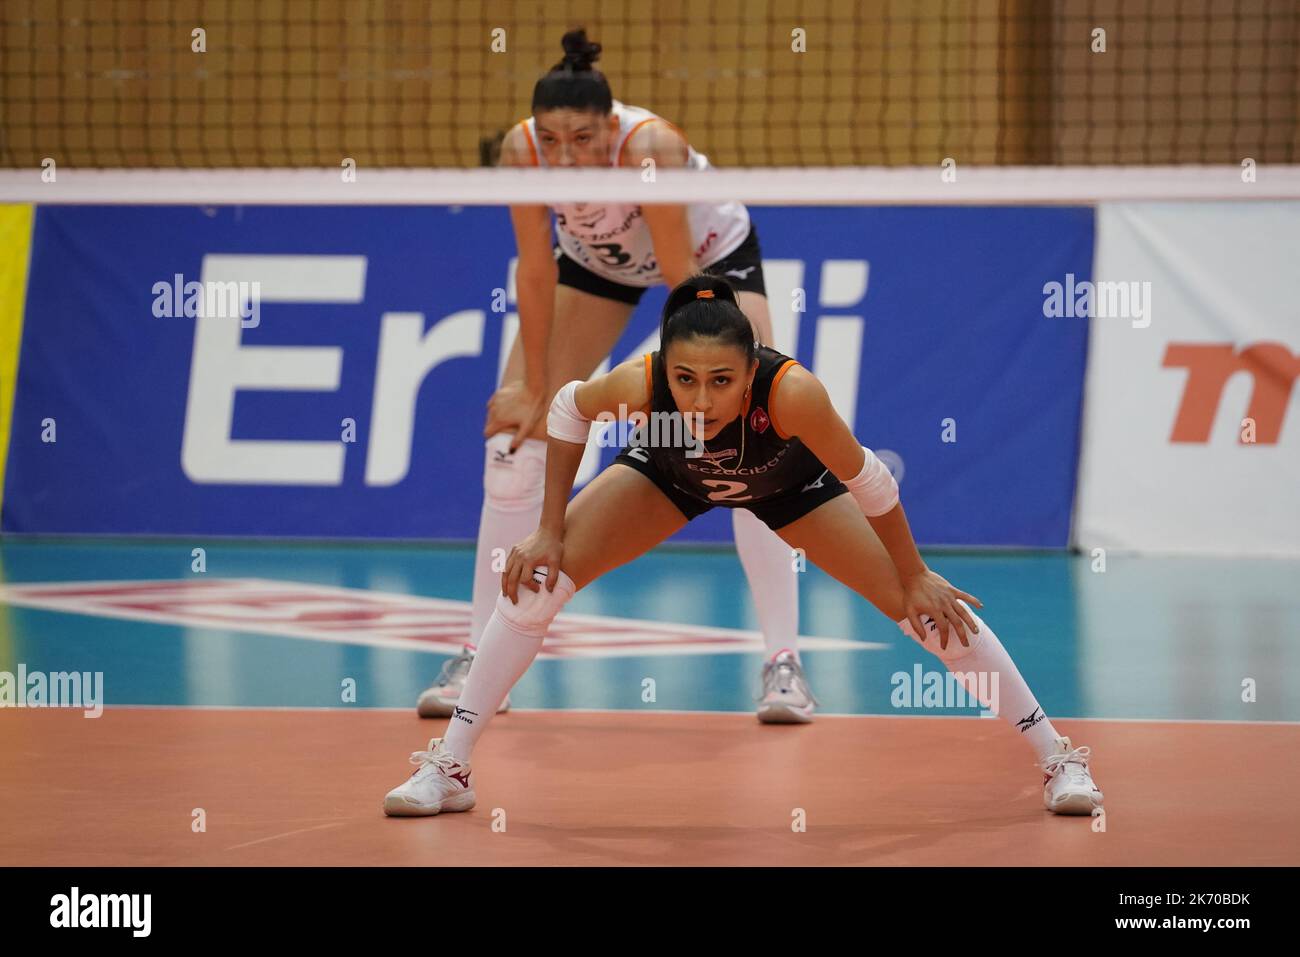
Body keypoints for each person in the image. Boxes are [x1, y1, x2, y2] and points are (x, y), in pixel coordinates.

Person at [385, 275, 1105, 819]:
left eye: (721, 381)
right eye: (686, 379)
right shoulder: (644, 385)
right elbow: (571, 405)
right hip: (671, 475)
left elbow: (873, 480)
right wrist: (547, 526)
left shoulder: (792, 395)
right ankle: (450, 768)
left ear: (750, 367)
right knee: (539, 581)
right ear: (665, 368)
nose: (700, 399)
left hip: (785, 487)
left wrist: (914, 573)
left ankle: (1058, 759)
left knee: (930, 611)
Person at [417, 27, 815, 723]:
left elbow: (676, 280)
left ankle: (784, 663)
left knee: (760, 440)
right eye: (551, 140)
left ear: (612, 125)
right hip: (596, 265)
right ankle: (483, 656)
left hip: (705, 261)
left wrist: (681, 391)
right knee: (512, 447)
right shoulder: (520, 153)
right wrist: (532, 388)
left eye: (583, 139)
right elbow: (536, 272)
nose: (565, 156)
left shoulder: (651, 152)